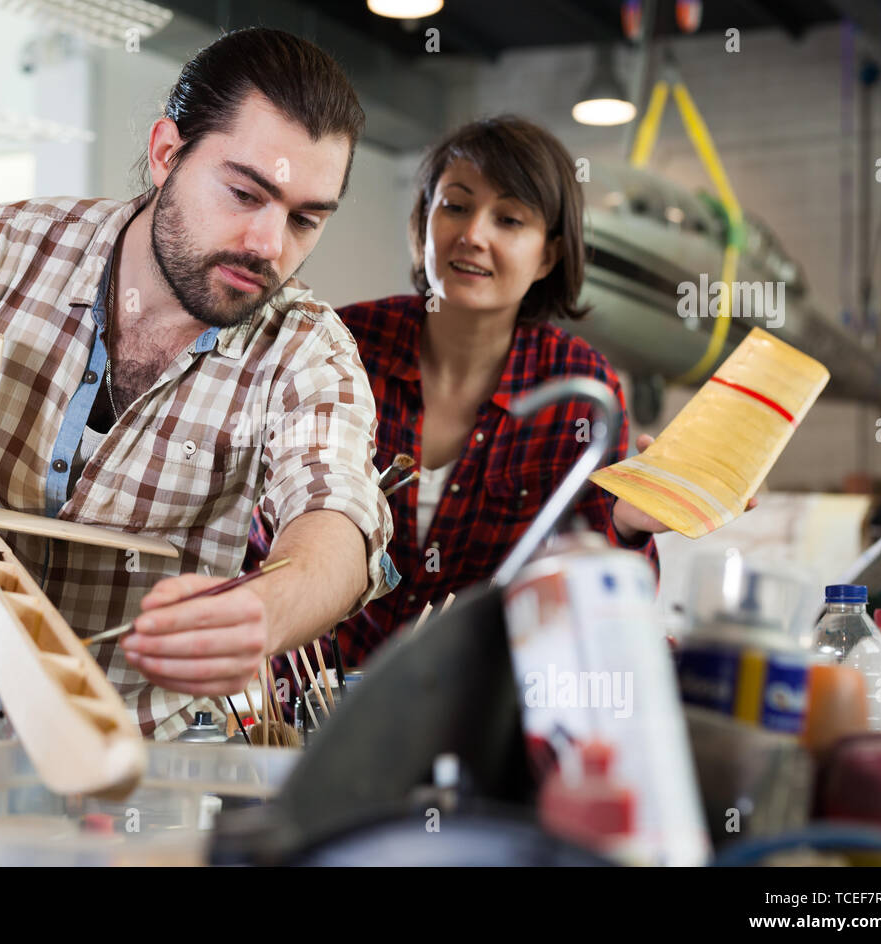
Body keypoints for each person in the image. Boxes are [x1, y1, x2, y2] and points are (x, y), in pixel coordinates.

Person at [0, 28, 397, 741]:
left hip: (130, 783)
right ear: (165, 154)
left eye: (306, 219)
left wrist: (267, 608)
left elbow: (339, 520)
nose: (270, 246)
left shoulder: (305, 347)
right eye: (245, 193)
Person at [259, 115, 673, 668]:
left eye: (509, 218)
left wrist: (626, 524)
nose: (474, 234)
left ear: (547, 256)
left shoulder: (580, 388)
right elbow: (263, 525)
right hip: (310, 701)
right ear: (423, 220)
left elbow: (601, 601)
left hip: (476, 710)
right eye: (455, 205)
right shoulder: (342, 343)